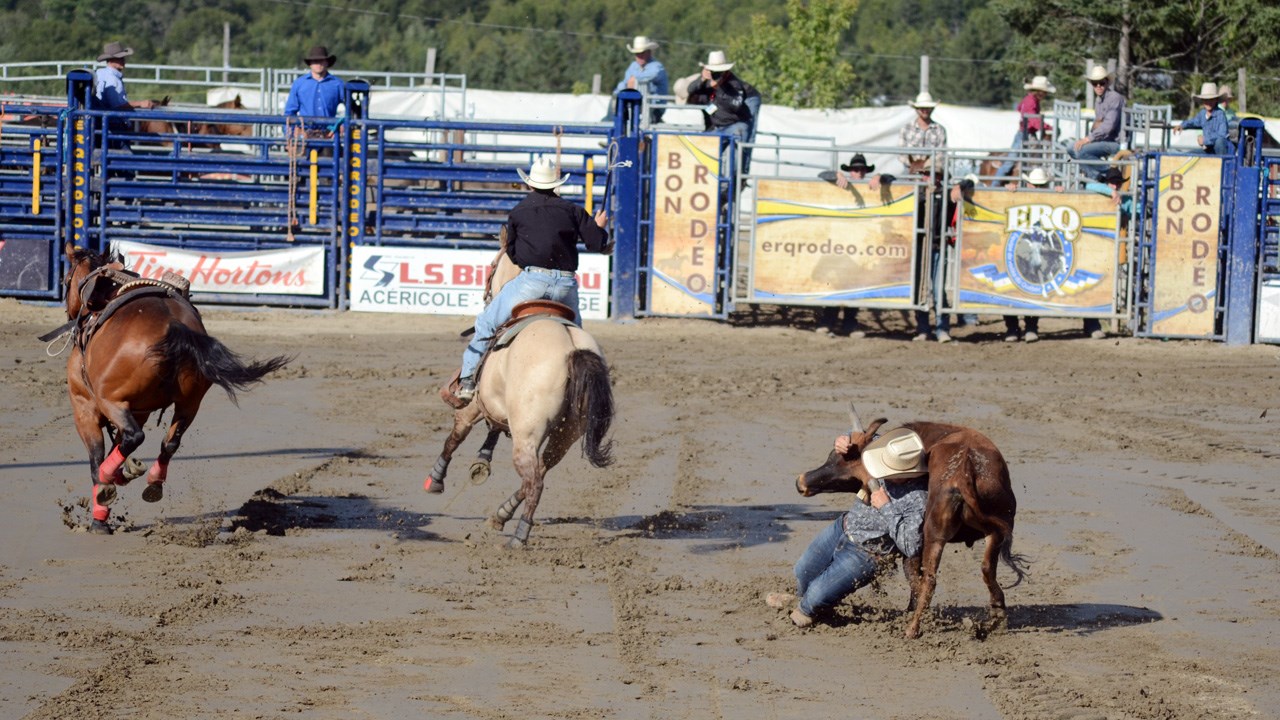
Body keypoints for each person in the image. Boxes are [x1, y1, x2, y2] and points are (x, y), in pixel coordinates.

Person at [456, 157, 611, 402]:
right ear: (556, 185)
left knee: (486, 324)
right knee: (577, 337)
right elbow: (598, 244)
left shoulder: (519, 212)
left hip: (531, 283)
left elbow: (514, 254)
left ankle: (466, 381)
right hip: (566, 287)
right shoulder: (573, 210)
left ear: (529, 184)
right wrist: (598, 226)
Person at [765, 428, 929, 628]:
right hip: (842, 528)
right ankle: (804, 600)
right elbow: (857, 438)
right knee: (803, 570)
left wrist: (886, 507)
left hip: (868, 554)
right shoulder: (882, 451)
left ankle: (808, 607)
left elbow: (911, 546)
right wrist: (843, 440)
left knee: (812, 601)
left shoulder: (918, 499)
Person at [812, 154, 877, 338]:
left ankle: (848, 322)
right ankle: (829, 321)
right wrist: (836, 174)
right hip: (840, 241)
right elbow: (821, 175)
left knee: (853, 283)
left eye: (862, 170)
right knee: (835, 282)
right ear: (849, 172)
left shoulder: (872, 187)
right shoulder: (841, 185)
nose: (858, 173)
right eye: (855, 170)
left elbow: (891, 180)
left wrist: (880, 177)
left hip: (860, 242)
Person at [1002, 167, 1062, 342]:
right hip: (1018, 248)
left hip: (1036, 247)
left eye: (1041, 186)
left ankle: (1030, 326)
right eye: (1034, 185)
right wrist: (1007, 192)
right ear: (1027, 183)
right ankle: (1012, 327)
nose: (1037, 189)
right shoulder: (1017, 196)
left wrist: (1059, 194)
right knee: (1010, 287)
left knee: (1034, 282)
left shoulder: (1049, 199)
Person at [684, 51, 761, 170]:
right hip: (723, 124)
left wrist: (718, 88)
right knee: (702, 148)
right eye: (714, 72)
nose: (716, 74)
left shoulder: (733, 84)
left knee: (743, 141)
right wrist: (702, 79)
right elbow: (690, 89)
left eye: (718, 72)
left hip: (743, 109)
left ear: (725, 71)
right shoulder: (707, 82)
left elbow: (735, 105)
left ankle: (740, 176)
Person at [913, 157, 953, 343]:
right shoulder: (917, 194)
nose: (931, 178)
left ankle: (941, 328)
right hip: (920, 247)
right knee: (920, 289)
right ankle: (923, 328)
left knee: (938, 290)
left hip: (937, 245)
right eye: (928, 174)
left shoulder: (947, 194)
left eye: (935, 175)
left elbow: (966, 186)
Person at [1067, 66, 1124, 181]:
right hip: (1103, 140)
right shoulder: (1099, 100)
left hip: (1115, 142)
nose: (1098, 86)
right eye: (1095, 83)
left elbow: (1108, 126)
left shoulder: (1115, 98)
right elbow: (1099, 124)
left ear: (1107, 82)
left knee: (1080, 151)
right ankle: (1098, 176)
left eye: (1101, 83)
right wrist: (1089, 137)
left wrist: (1088, 139)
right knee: (1070, 148)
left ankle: (1111, 172)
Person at [90, 41, 158, 138]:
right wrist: (140, 103)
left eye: (122, 57)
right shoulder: (113, 79)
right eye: (119, 58)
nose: (123, 60)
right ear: (111, 60)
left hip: (102, 123)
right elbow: (118, 106)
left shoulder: (100, 73)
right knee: (123, 151)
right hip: (114, 126)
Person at [995, 75, 1055, 181]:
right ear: (1039, 91)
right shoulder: (1031, 101)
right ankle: (994, 185)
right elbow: (1033, 120)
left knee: (1033, 156)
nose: (1045, 94)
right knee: (1010, 162)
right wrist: (1048, 127)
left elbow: (1019, 108)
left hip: (1026, 132)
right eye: (1044, 92)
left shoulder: (1030, 100)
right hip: (1024, 134)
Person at [284, 45, 345, 125]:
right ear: (310, 64)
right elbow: (290, 112)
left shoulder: (338, 84)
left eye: (321, 61)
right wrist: (291, 132)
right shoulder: (299, 84)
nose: (318, 64)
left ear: (327, 62)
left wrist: (343, 127)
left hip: (329, 133)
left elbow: (352, 110)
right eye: (315, 61)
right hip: (305, 132)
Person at [614, 35, 669, 124]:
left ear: (649, 52)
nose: (639, 56)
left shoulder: (657, 67)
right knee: (619, 104)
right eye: (637, 53)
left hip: (654, 108)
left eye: (642, 53)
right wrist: (620, 90)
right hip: (636, 106)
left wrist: (634, 80)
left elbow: (652, 75)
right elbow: (625, 83)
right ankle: (620, 130)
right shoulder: (633, 66)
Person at [1175, 82, 1234, 156]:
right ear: (1203, 101)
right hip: (1209, 150)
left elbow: (1222, 135)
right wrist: (1182, 125)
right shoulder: (1202, 114)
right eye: (1206, 100)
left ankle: (1222, 164)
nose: (1209, 102)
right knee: (1188, 155)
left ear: (1216, 100)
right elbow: (1194, 121)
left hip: (1219, 151)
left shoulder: (1220, 114)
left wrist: (1205, 140)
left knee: (1220, 141)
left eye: (1211, 99)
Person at [899, 91, 947, 176]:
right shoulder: (906, 128)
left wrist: (926, 165)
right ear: (916, 109)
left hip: (932, 172)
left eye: (928, 107)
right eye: (922, 107)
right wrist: (914, 164)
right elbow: (901, 153)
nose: (925, 110)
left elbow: (941, 155)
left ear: (932, 109)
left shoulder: (939, 130)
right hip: (910, 170)